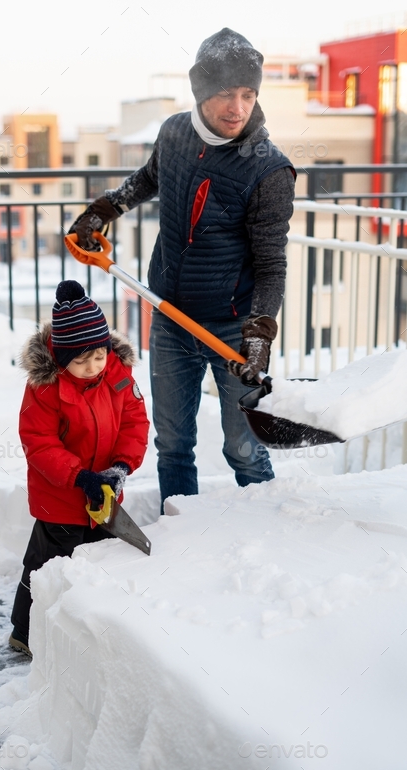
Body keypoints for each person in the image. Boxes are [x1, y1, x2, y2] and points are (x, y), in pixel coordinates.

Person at [69, 27, 295, 509]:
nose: (238, 107)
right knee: (173, 445)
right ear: (200, 91)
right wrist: (107, 208)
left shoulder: (267, 170)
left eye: (248, 94)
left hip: (234, 329)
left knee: (244, 451)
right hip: (169, 315)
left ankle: (269, 543)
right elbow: (152, 176)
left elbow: (272, 267)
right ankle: (180, 537)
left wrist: (258, 336)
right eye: (224, 94)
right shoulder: (174, 131)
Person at [9, 280, 150, 656]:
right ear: (61, 358)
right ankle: (25, 631)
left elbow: (135, 423)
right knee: (46, 566)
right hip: (60, 498)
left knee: (98, 565)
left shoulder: (118, 373)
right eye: (81, 360)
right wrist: (79, 476)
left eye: (99, 355)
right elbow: (39, 443)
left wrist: (121, 466)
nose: (92, 367)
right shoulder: (46, 387)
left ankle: (83, 636)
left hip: (104, 495)